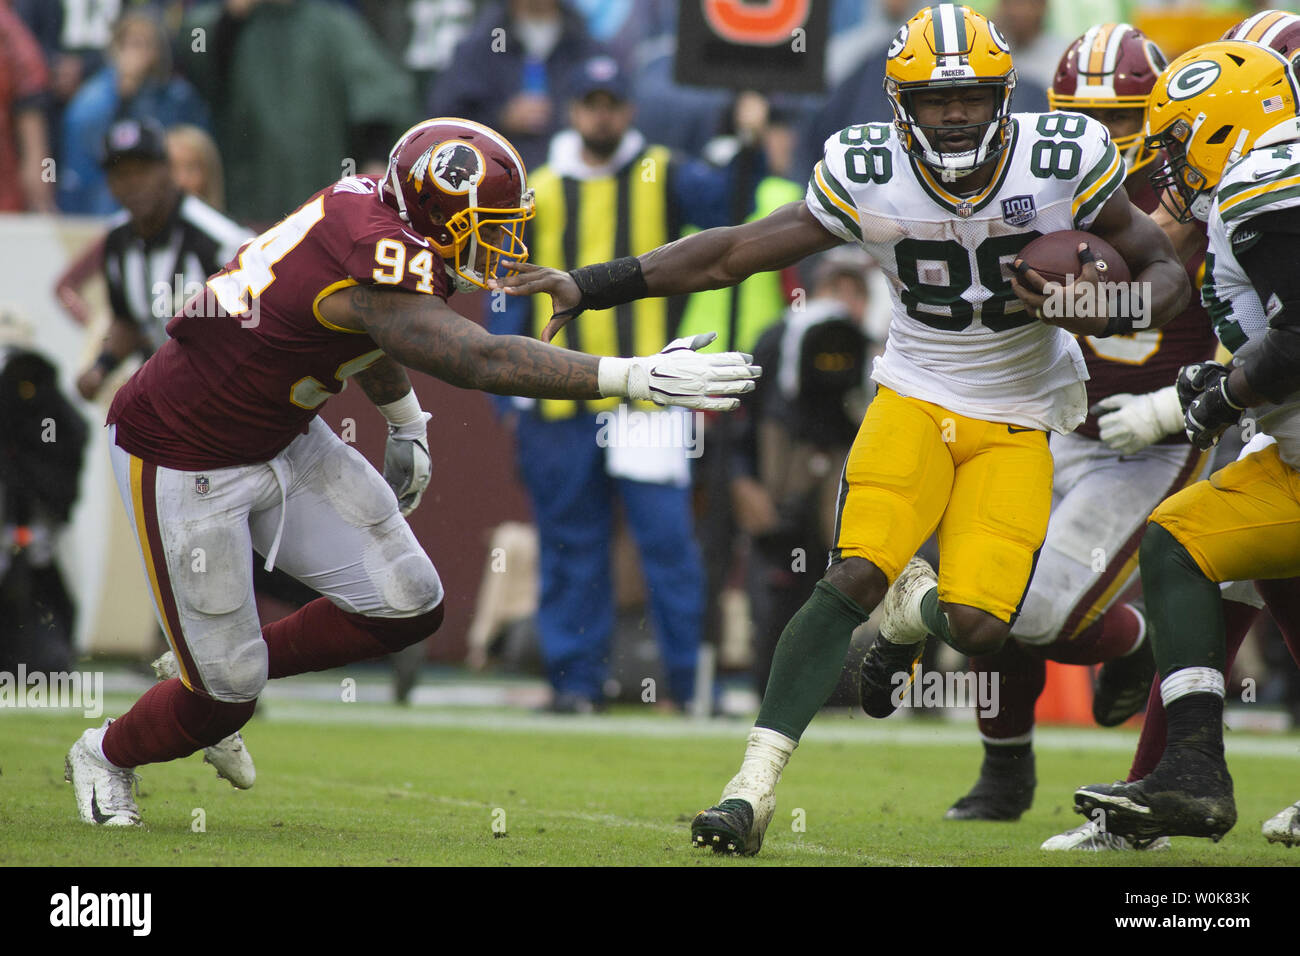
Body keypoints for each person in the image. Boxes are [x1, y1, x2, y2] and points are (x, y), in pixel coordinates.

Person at [494, 3, 1191, 855]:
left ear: (1004, 93)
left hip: (1021, 411)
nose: (957, 114)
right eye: (936, 102)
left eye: (971, 95)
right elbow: (733, 251)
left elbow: (1165, 274)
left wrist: (1104, 303)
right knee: (853, 571)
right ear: (901, 106)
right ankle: (748, 792)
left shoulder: (1062, 159)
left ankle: (912, 614)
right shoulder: (866, 167)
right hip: (916, 392)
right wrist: (596, 284)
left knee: (980, 628)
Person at [63, 116, 760, 827]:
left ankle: (213, 678)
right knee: (223, 695)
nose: (500, 244)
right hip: (184, 450)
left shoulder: (375, 213)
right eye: (487, 225)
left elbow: (369, 325)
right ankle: (106, 753)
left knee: (407, 601)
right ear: (432, 209)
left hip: (282, 432)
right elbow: (475, 357)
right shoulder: (380, 250)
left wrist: (405, 420)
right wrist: (635, 377)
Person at [940, 22, 1222, 825]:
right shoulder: (1036, 181)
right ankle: (1004, 772)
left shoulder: (1199, 198)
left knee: (1041, 614)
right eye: (1084, 116)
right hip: (1052, 420)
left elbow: (1248, 328)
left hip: (1150, 440)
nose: (1103, 138)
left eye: (1125, 121)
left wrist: (1177, 404)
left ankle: (1131, 640)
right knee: (985, 595)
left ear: (1160, 117)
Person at [1072, 39, 1300, 845]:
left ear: (1219, 126)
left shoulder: (1263, 182)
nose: (1166, 162)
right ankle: (1189, 774)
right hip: (1291, 459)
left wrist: (1218, 397)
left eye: (1175, 139)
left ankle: (1194, 770)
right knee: (1204, 542)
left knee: (1180, 542)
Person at [493, 56, 759, 712]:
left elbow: (733, 208)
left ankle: (689, 684)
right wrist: (509, 388)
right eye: (591, 102)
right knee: (569, 546)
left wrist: (743, 141)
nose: (602, 114)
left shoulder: (662, 172)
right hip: (560, 399)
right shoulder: (540, 189)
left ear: (630, 109)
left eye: (613, 102)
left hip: (650, 392)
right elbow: (503, 291)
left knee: (668, 544)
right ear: (572, 109)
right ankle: (574, 686)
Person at [74, 118, 250, 403]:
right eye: (121, 174)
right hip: (174, 398)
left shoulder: (217, 237)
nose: (133, 184)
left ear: (167, 170)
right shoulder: (117, 240)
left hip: (235, 394)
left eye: (142, 171)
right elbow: (128, 320)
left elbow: (264, 313)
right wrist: (101, 367)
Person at [58, 9, 210, 215]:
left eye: (148, 44)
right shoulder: (91, 101)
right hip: (103, 207)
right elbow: (85, 165)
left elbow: (198, 150)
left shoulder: (178, 96)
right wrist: (125, 98)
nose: (140, 54)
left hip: (168, 201)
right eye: (132, 44)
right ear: (116, 49)